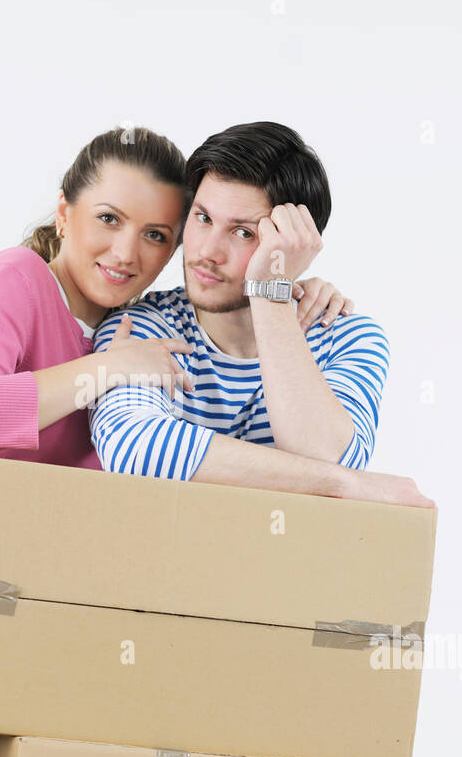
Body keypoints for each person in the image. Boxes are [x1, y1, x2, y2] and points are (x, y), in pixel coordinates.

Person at [0, 125, 358, 757]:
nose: (129, 252)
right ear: (63, 212)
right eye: (107, 220)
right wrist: (105, 370)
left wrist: (280, 292)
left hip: (27, 643)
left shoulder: (136, 328)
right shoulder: (21, 281)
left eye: (157, 234)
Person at [89, 121, 436, 510]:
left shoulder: (348, 337)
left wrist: (271, 292)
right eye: (203, 218)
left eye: (243, 233)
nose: (207, 251)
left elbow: (330, 456)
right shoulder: (143, 325)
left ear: (295, 245)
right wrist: (343, 485)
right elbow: (134, 449)